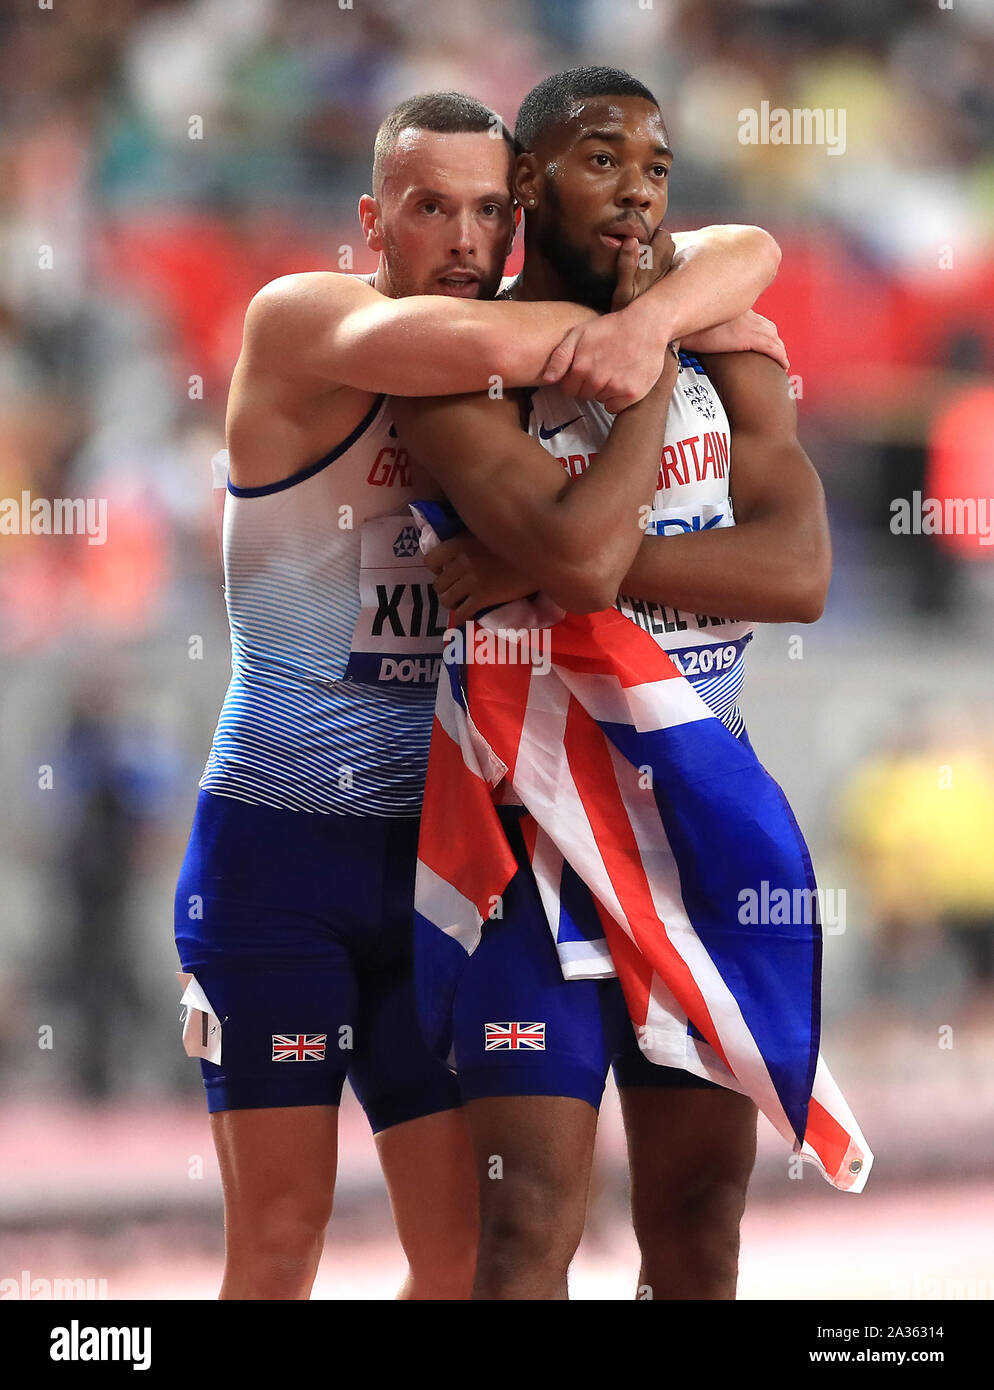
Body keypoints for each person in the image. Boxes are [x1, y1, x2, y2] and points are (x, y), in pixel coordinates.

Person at [174, 87, 783, 1301]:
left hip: (447, 862)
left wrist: (655, 306)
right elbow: (503, 338)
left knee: (457, 1261)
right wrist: (657, 319)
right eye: (428, 208)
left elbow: (748, 248)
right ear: (371, 218)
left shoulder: (512, 354)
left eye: (487, 210)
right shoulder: (309, 319)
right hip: (278, 854)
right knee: (280, 1245)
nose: (461, 239)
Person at [392, 66, 831, 1300]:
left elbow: (795, 573)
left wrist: (550, 554)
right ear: (526, 182)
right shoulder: (460, 368)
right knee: (527, 1230)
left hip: (695, 823)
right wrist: (643, 361)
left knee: (699, 1227)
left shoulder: (724, 337)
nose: (635, 191)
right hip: (527, 834)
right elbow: (581, 565)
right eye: (599, 161)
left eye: (655, 166)